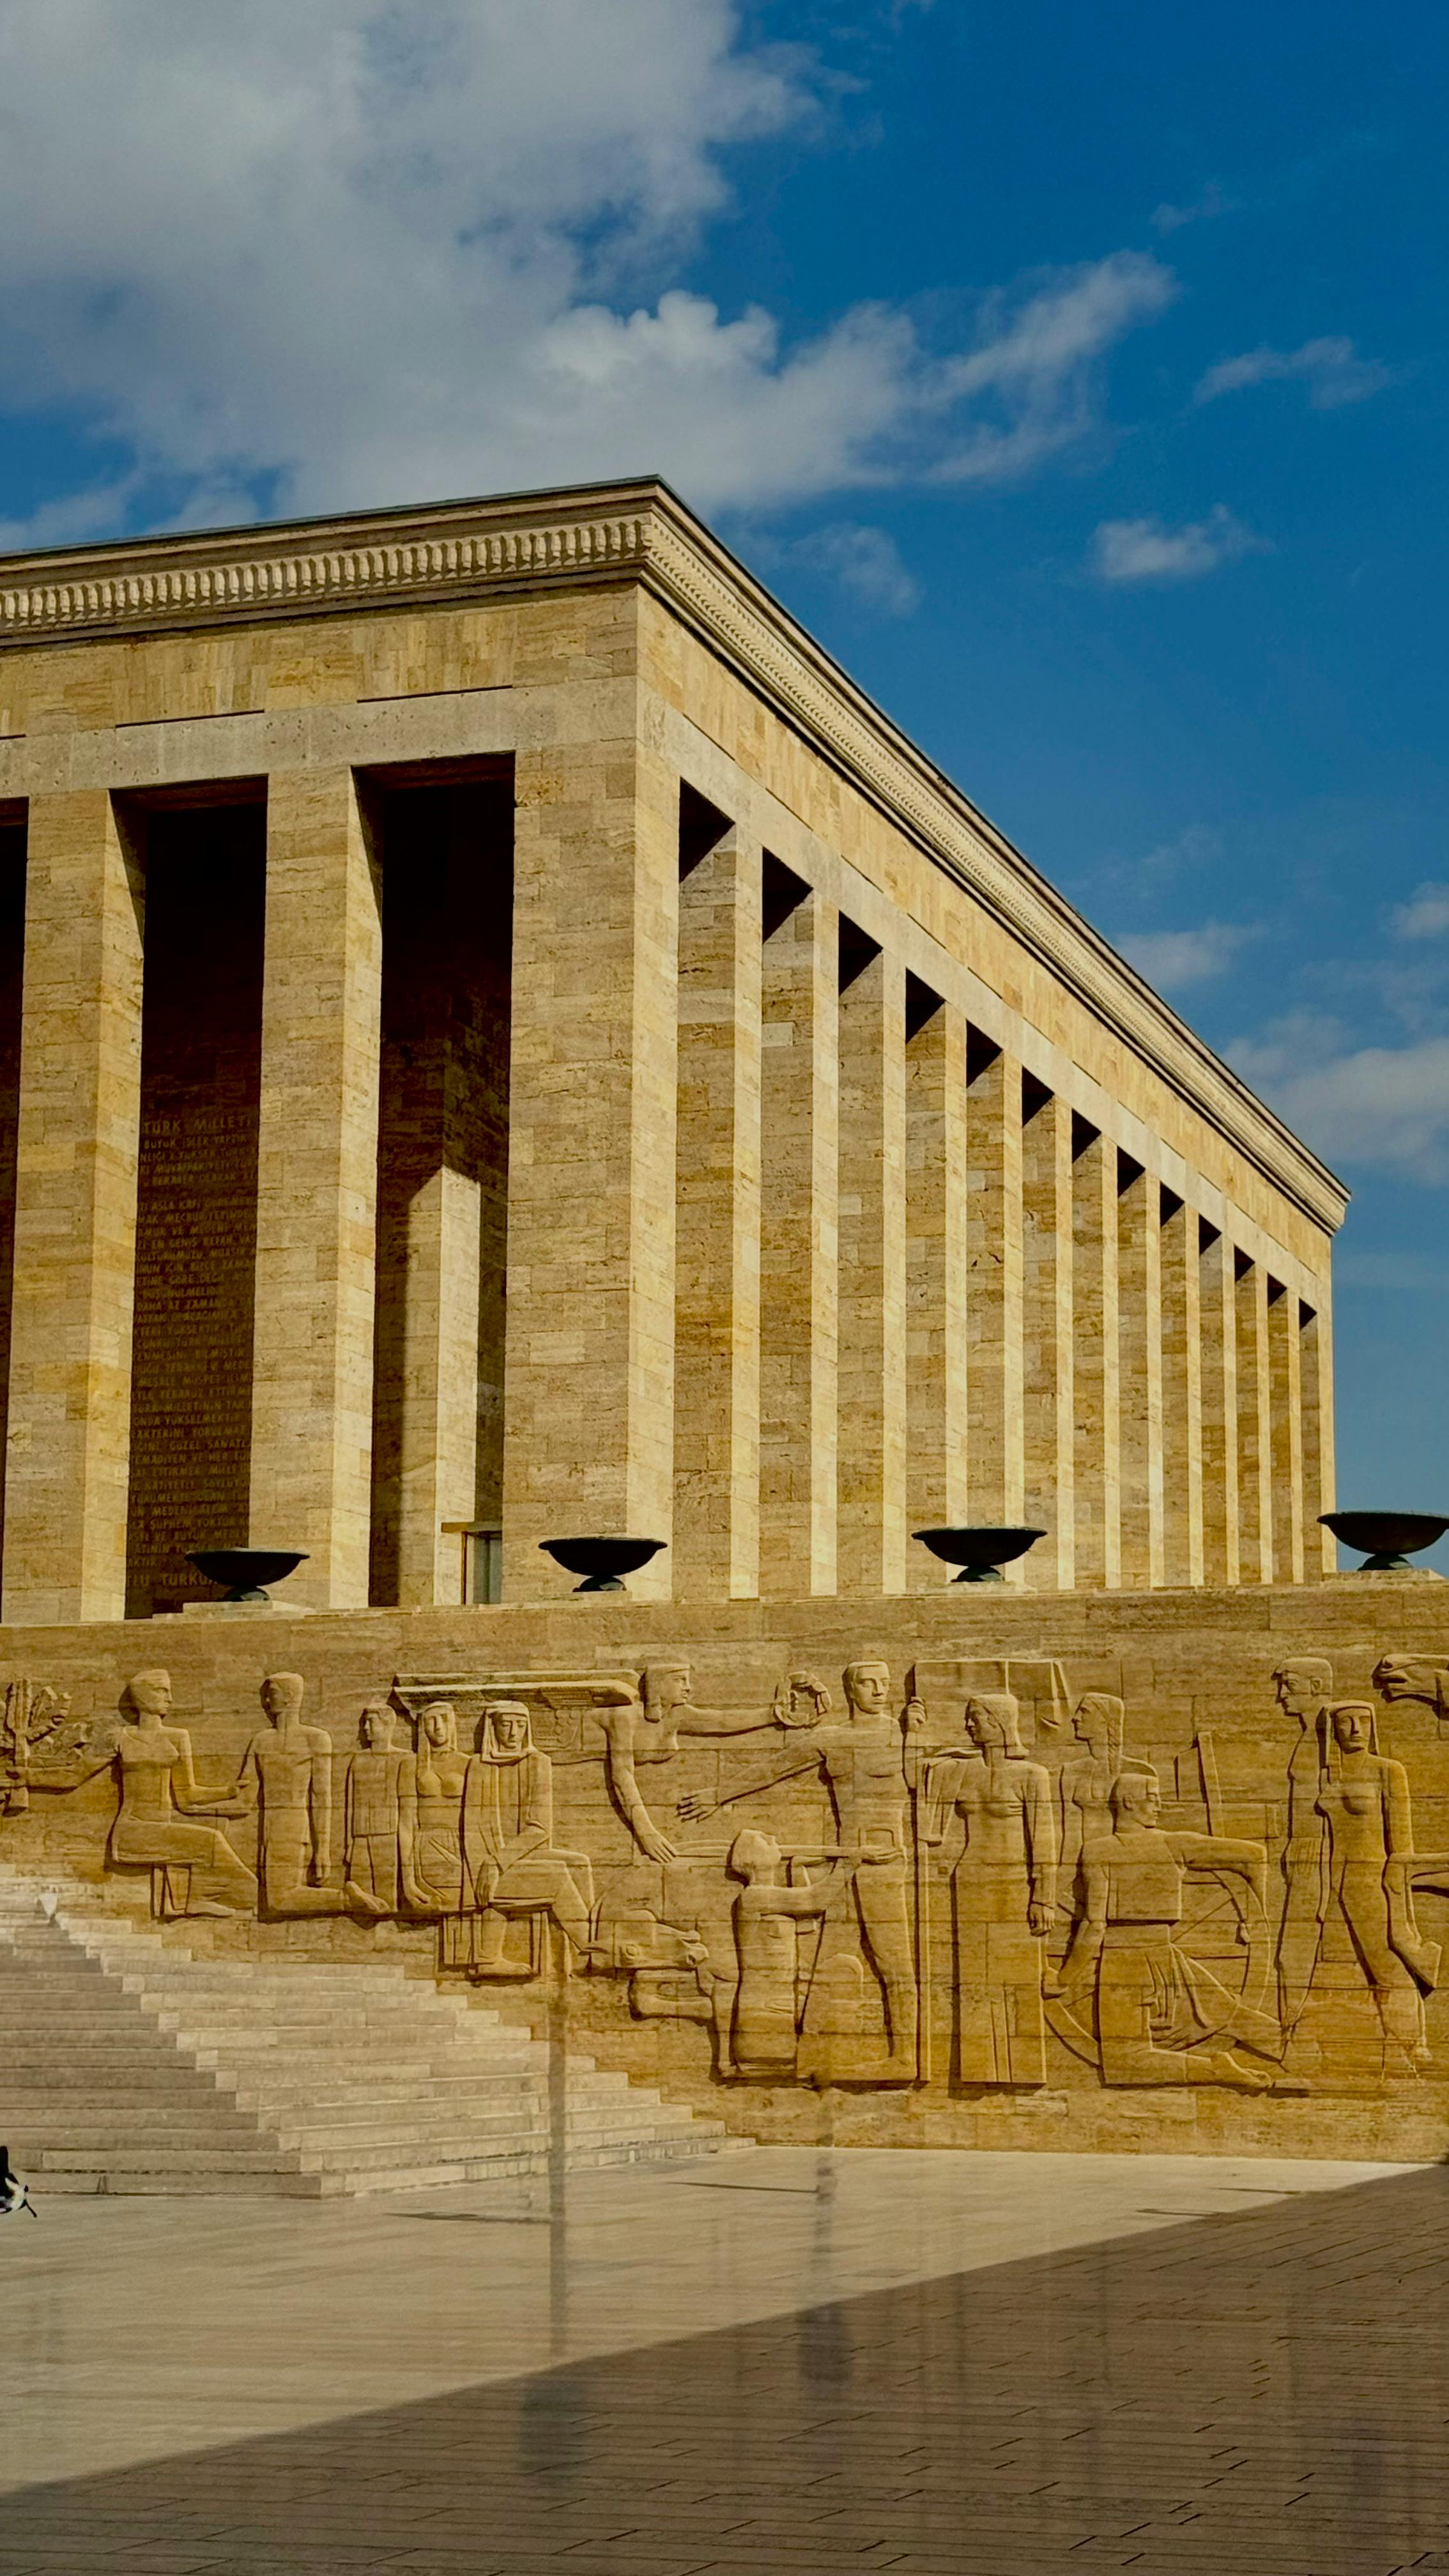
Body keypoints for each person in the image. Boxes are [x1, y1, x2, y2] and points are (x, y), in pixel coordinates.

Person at [678, 1660, 921, 2079]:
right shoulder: (833, 1738)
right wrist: (720, 1793)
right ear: (851, 1690)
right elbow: (776, 1767)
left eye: (885, 1683)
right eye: (868, 1683)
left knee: (893, 1960)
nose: (879, 1691)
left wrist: (919, 1736)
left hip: (883, 1862)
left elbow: (925, 1783)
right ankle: (802, 2054)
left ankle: (905, 2058)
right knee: (822, 1959)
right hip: (846, 1857)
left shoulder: (902, 1737)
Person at [1075, 1768, 1287, 2089]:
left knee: (1125, 2061)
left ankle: (1217, 2070)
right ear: (1128, 1802)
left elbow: (1094, 1925)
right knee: (1235, 2019)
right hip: (1168, 1959)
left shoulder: (1100, 1850)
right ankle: (1318, 2057)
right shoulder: (1176, 1845)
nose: (1160, 1805)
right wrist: (1256, 1921)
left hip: (1125, 1961)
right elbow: (1254, 1857)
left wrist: (1063, 1979)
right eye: (1153, 1798)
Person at [25, 1668, 256, 1917]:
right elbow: (74, 1775)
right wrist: (27, 1777)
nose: (170, 1699)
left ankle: (199, 1897)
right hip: (133, 1829)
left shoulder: (178, 1737)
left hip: (161, 1828)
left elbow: (188, 1796)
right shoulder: (120, 1737)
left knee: (241, 1877)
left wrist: (228, 1791)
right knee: (211, 1841)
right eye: (162, 1691)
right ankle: (198, 1899)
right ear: (144, 1696)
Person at [923, 1692, 1056, 2087]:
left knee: (1019, 1980)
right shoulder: (960, 1772)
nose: (968, 1725)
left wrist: (1044, 1896)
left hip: (1015, 1884)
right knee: (975, 1981)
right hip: (969, 1880)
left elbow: (1044, 1841)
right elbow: (917, 1778)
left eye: (974, 1718)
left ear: (999, 1722)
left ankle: (1025, 2071)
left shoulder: (1032, 1775)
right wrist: (918, 1736)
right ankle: (978, 2069)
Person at [1314, 1700, 1439, 2069]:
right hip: (1332, 1881)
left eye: (1364, 1721)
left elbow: (1402, 1844)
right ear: (1332, 1731)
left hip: (1372, 1881)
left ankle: (1412, 2043)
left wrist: (1397, 1886)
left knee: (1387, 1963)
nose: (1355, 1729)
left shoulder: (1387, 1770)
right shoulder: (1326, 1775)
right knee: (1337, 1965)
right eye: (1346, 1722)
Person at [226, 1673, 384, 1918]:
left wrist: (323, 1850)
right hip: (268, 1828)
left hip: (294, 1826)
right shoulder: (261, 1740)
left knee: (280, 1900)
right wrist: (194, 1805)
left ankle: (345, 1898)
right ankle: (345, 1898)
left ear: (289, 1697)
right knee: (276, 1899)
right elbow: (244, 1799)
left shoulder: (316, 1739)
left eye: (273, 1694)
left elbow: (321, 1797)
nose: (267, 1702)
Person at [457, 1702, 597, 1976]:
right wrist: (490, 1863)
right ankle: (592, 1949)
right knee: (557, 1876)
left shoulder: (537, 1762)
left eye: (520, 1725)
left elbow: (539, 1828)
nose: (513, 1732)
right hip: (484, 1856)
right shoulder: (478, 1765)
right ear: (493, 1728)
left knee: (579, 1863)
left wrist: (500, 1861)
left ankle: (588, 1946)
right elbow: (472, 1825)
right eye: (506, 1724)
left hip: (512, 1855)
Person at [727, 1829, 854, 2078]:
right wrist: (848, 1866)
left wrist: (798, 1866)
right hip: (762, 2005)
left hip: (780, 1998)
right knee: (767, 2063)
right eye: (765, 1840)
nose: (775, 1840)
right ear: (753, 1859)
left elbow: (807, 1919)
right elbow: (813, 1900)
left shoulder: (773, 1895)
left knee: (783, 2062)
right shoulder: (754, 1896)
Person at [1271, 1657, 1334, 2033]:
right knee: (1291, 1953)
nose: (1281, 1696)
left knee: (1294, 1952)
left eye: (1289, 1686)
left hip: (1321, 1855)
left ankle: (1293, 2032)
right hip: (1301, 1853)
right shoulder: (1309, 1734)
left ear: (1316, 1686)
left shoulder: (1334, 1733)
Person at [402, 1701, 468, 1913]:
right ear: (422, 1727)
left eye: (444, 1720)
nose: (438, 1727)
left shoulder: (468, 1763)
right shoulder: (410, 1765)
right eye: (431, 1721)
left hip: (459, 1846)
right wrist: (407, 1879)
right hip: (423, 1847)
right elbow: (405, 1821)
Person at [344, 1705, 408, 1912]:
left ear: (388, 1724)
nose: (365, 1728)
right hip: (360, 1834)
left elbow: (408, 1809)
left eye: (371, 1722)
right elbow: (350, 1804)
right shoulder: (358, 1759)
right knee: (360, 1899)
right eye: (364, 1722)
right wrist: (349, 1843)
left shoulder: (404, 1758)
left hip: (389, 1834)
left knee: (387, 1898)